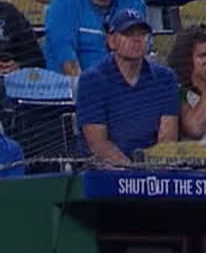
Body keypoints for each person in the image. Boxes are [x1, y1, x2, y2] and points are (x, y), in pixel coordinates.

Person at [75, 9, 180, 165]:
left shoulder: (165, 79)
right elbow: (98, 144)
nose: (136, 40)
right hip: (106, 171)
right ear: (111, 41)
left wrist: (153, 172)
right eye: (128, 34)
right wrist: (131, 174)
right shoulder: (92, 80)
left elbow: (167, 139)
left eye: (142, 34)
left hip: (153, 171)